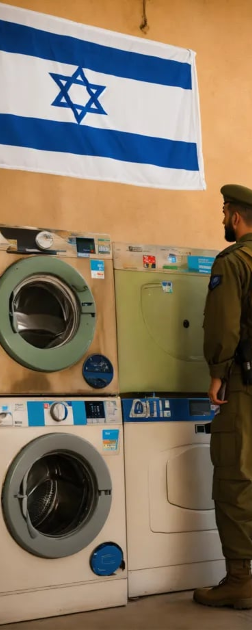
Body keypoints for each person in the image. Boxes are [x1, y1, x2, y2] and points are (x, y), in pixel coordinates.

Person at [198, 183, 252, 610]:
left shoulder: (233, 261)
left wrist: (218, 373)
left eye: (224, 213)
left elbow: (224, 327)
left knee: (236, 478)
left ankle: (239, 580)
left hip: (245, 388)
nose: (223, 221)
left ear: (235, 216)